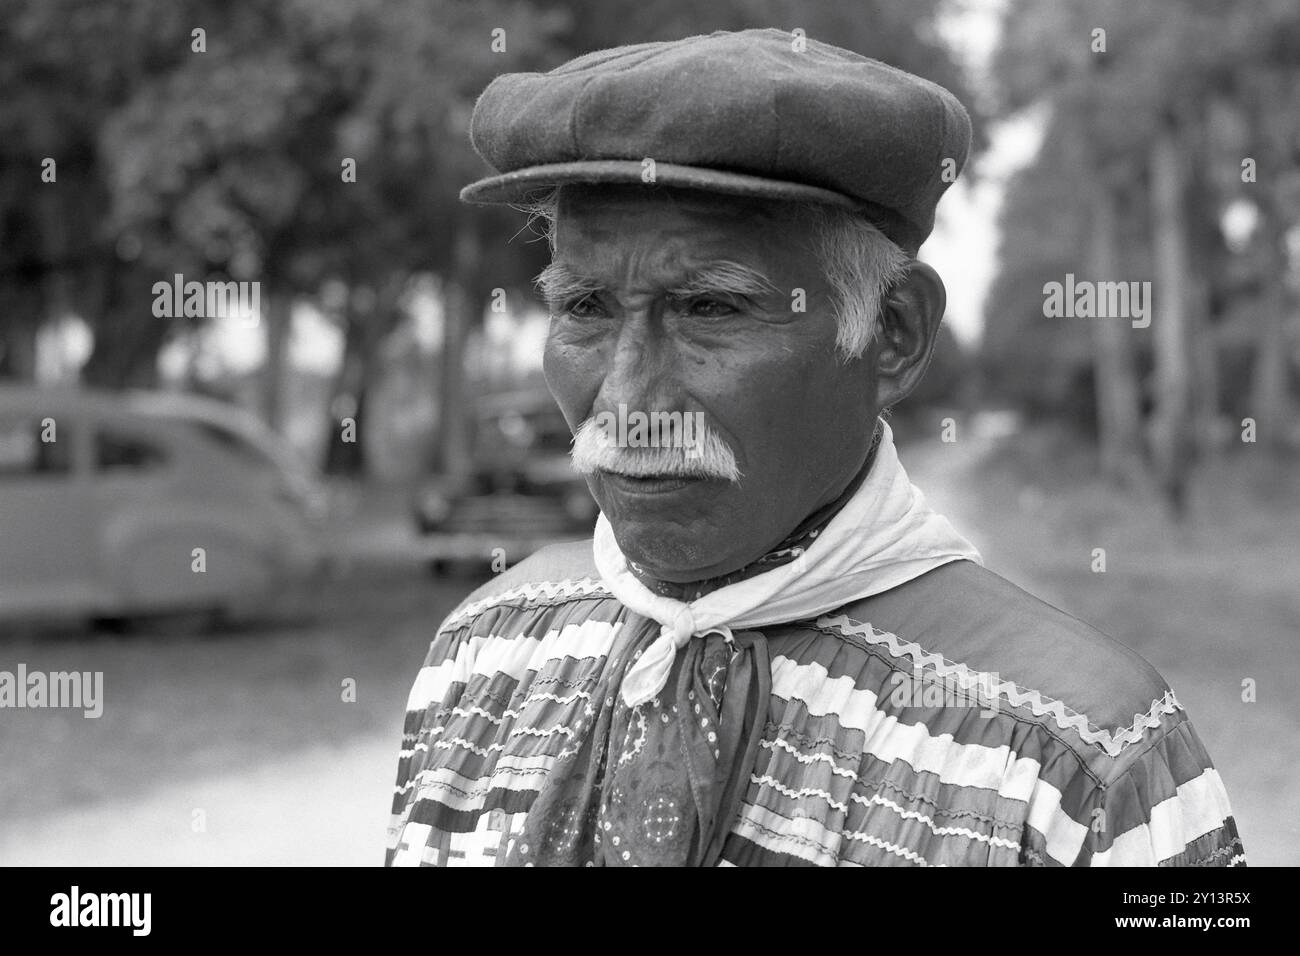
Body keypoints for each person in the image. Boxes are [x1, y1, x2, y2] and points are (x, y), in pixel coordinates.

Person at [386, 28, 1244, 867]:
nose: (625, 400)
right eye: (584, 307)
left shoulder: (1081, 769)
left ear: (893, 333)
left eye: (710, 309)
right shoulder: (484, 653)